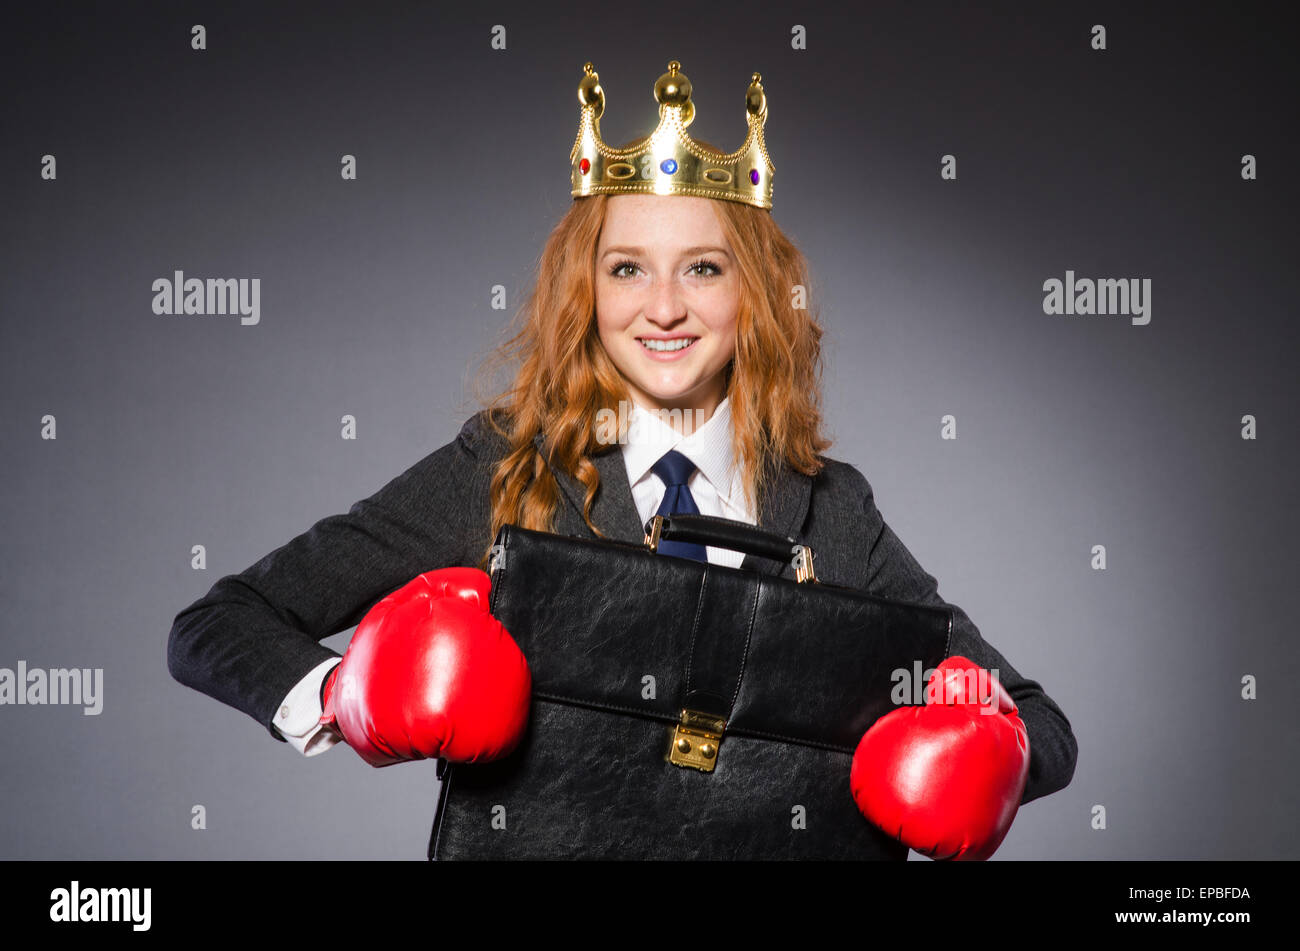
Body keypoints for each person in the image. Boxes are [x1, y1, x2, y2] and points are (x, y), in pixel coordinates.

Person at [168, 60, 1077, 859]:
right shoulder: (504, 463)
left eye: (705, 269)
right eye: (629, 268)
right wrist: (347, 695)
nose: (666, 308)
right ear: (588, 289)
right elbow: (217, 622)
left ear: (755, 292)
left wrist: (991, 754)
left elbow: (1040, 719)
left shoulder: (830, 507)